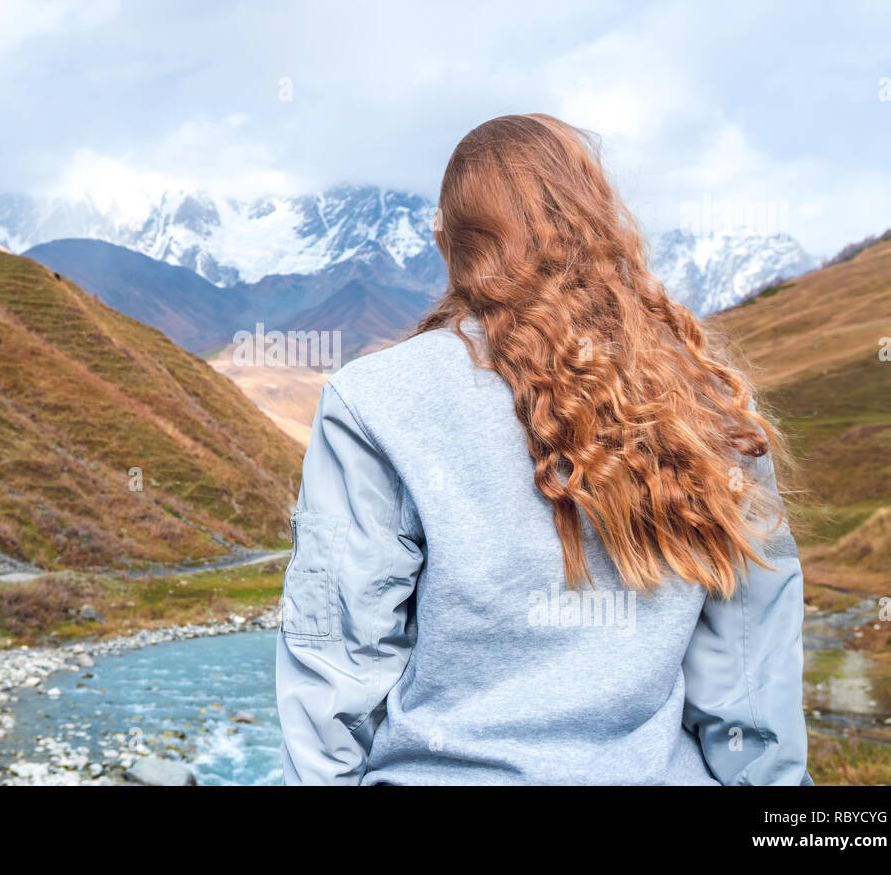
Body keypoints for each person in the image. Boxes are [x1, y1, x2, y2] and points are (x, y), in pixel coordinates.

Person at [275, 114, 810, 785]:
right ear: (597, 221)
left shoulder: (372, 400)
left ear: (451, 245)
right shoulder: (707, 405)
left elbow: (335, 659)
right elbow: (749, 678)